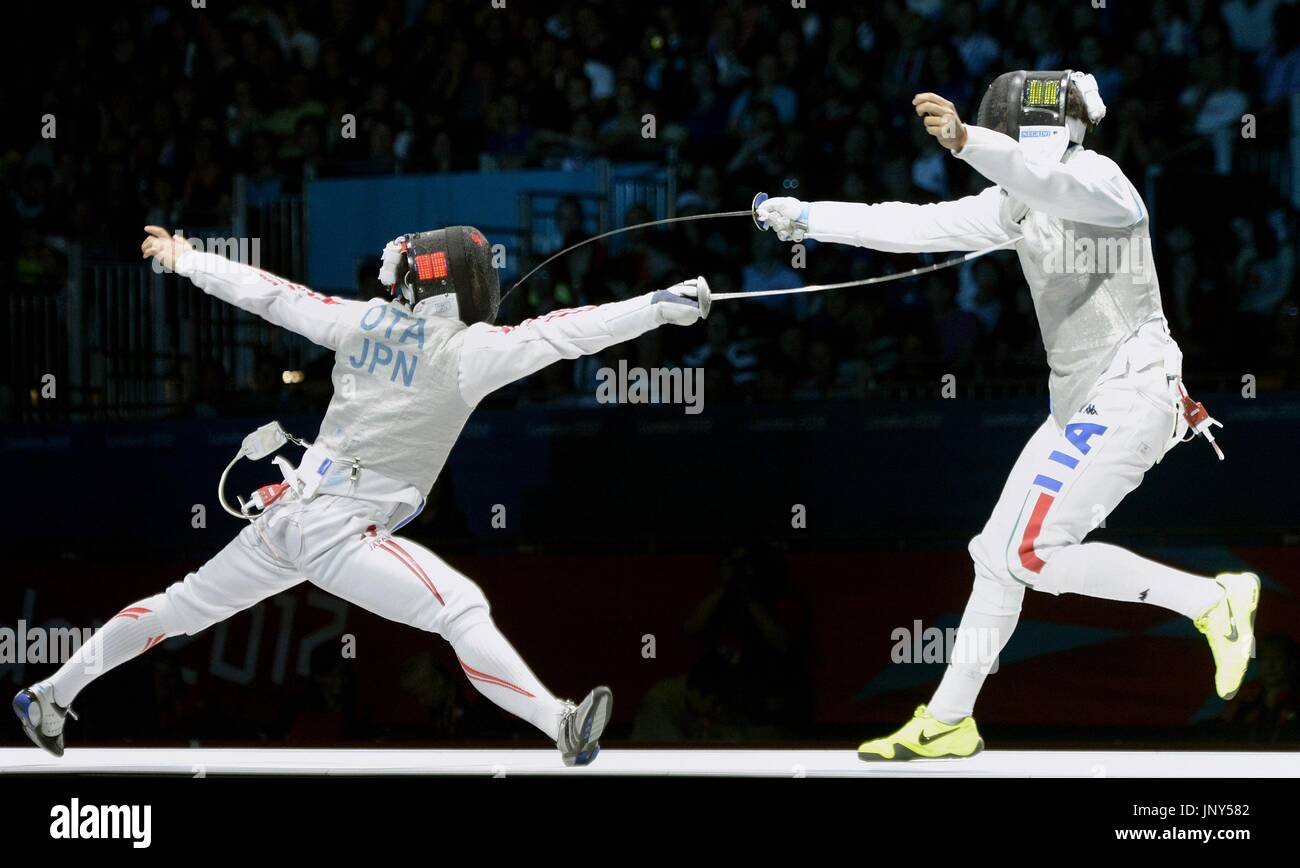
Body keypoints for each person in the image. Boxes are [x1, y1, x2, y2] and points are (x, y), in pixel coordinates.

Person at [13, 224, 709, 766]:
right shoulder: (470, 354)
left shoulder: (360, 322)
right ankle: (561, 725)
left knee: (181, 605)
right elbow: (567, 333)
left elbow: (273, 296)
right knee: (459, 605)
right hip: (338, 529)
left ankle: (51, 695)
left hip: (288, 513)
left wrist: (189, 258)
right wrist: (660, 306)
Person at [756, 70, 1260, 760]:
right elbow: (910, 223)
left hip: (1132, 388)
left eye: (1007, 136)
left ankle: (1211, 600)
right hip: (1080, 405)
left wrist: (966, 141)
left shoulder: (1104, 184)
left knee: (1031, 551)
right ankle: (949, 720)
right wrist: (807, 215)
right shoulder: (1014, 207)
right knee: (997, 557)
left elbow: (1049, 181)